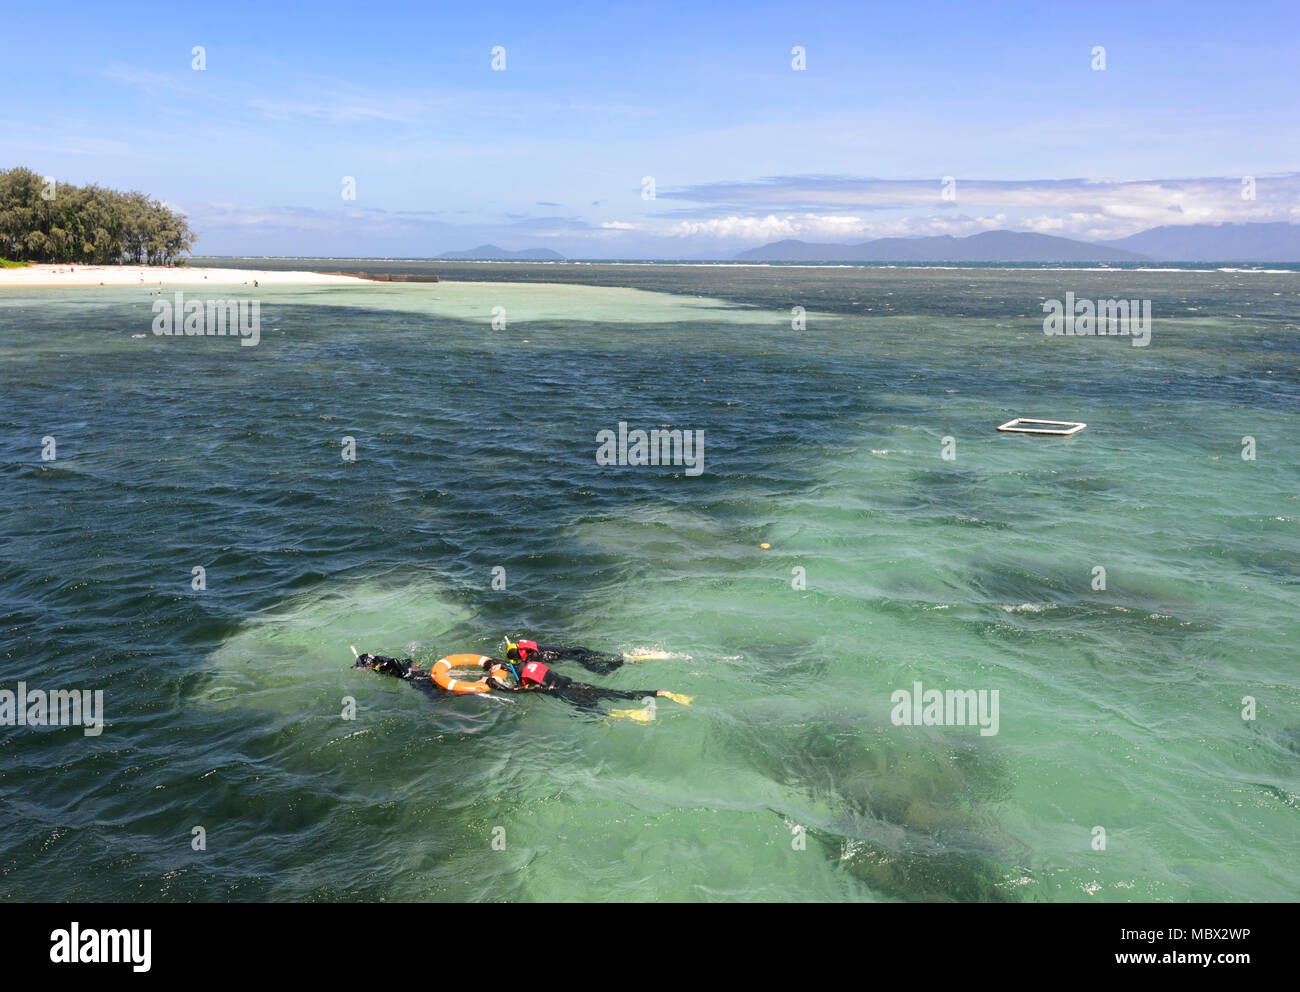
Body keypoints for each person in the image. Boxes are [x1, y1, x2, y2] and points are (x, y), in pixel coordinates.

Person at [353, 644, 690, 712]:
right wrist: (494, 678)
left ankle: (647, 701)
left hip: (572, 694)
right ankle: (658, 692)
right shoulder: (537, 669)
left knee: (602, 705)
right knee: (612, 693)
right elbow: (506, 678)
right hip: (571, 685)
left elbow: (510, 688)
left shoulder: (523, 678)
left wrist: (491, 683)